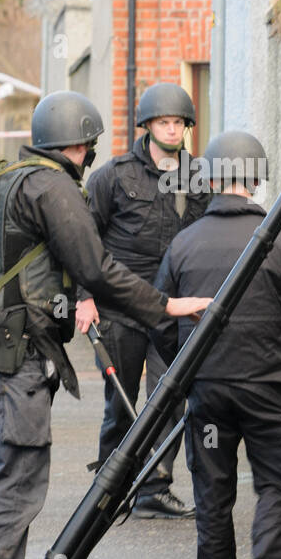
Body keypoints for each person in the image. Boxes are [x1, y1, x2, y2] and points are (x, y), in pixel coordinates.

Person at [0, 90, 211, 559]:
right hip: (16, 353)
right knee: (19, 466)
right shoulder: (54, 187)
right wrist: (163, 304)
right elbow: (95, 268)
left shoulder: (6, 180)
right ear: (82, 143)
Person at [153, 130, 281, 559]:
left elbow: (162, 323)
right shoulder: (277, 239)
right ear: (255, 178)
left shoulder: (183, 244)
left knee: (213, 489)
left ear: (209, 179)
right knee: (277, 481)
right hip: (270, 390)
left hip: (206, 391)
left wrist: (190, 370)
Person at [75, 83, 211, 518]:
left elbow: (210, 235)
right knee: (121, 401)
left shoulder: (197, 177)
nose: (171, 129)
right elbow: (83, 240)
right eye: (163, 122)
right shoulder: (113, 176)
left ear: (186, 128)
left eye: (178, 122)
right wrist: (84, 298)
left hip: (175, 309)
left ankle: (154, 487)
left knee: (168, 398)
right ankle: (108, 491)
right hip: (121, 309)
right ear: (148, 126)